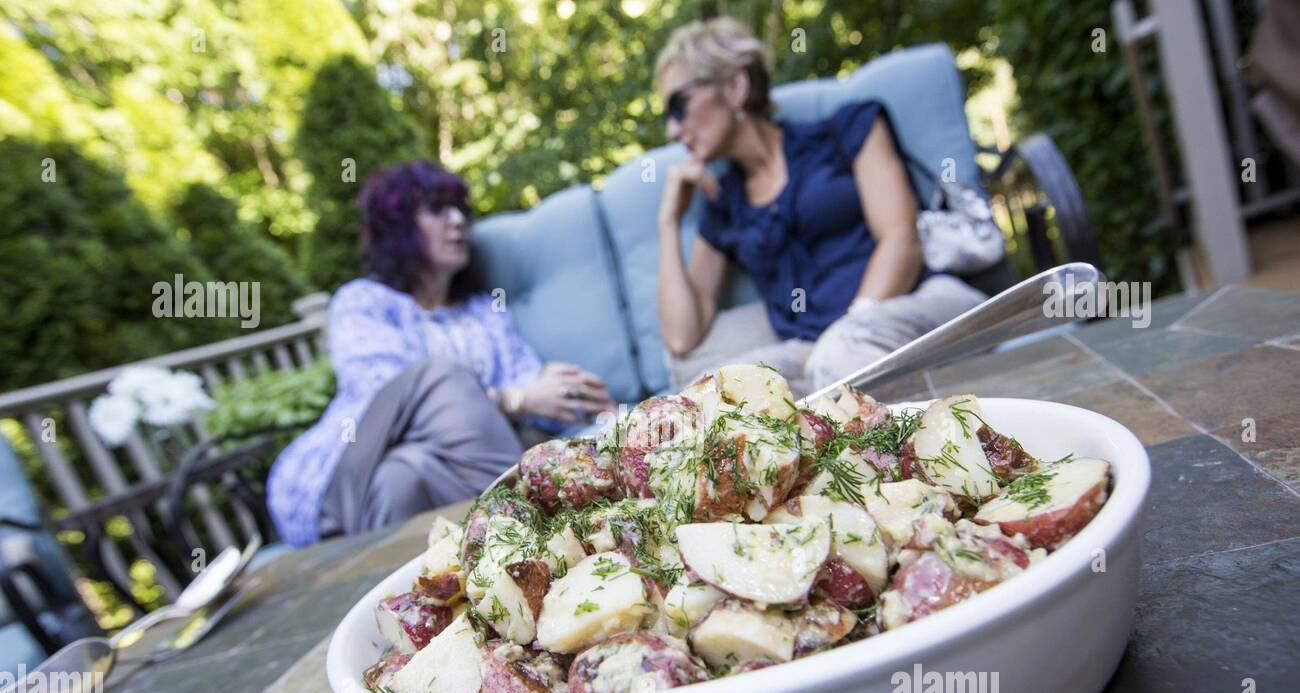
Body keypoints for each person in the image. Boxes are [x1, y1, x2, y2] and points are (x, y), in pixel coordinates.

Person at [266, 160, 613, 547]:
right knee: (443, 376)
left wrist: (573, 393)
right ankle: (525, 540)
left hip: (418, 473)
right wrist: (513, 400)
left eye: (461, 210)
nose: (458, 221)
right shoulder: (363, 300)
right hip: (353, 471)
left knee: (403, 477)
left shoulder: (482, 308)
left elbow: (526, 378)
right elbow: (386, 391)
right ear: (397, 228)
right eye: (437, 209)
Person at [654, 17, 986, 395]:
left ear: (734, 86)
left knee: (841, 357)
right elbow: (682, 337)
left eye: (678, 107)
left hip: (910, 304)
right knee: (712, 398)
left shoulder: (847, 131)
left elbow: (901, 240)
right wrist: (669, 220)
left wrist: (848, 329)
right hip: (810, 352)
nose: (672, 130)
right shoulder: (723, 204)